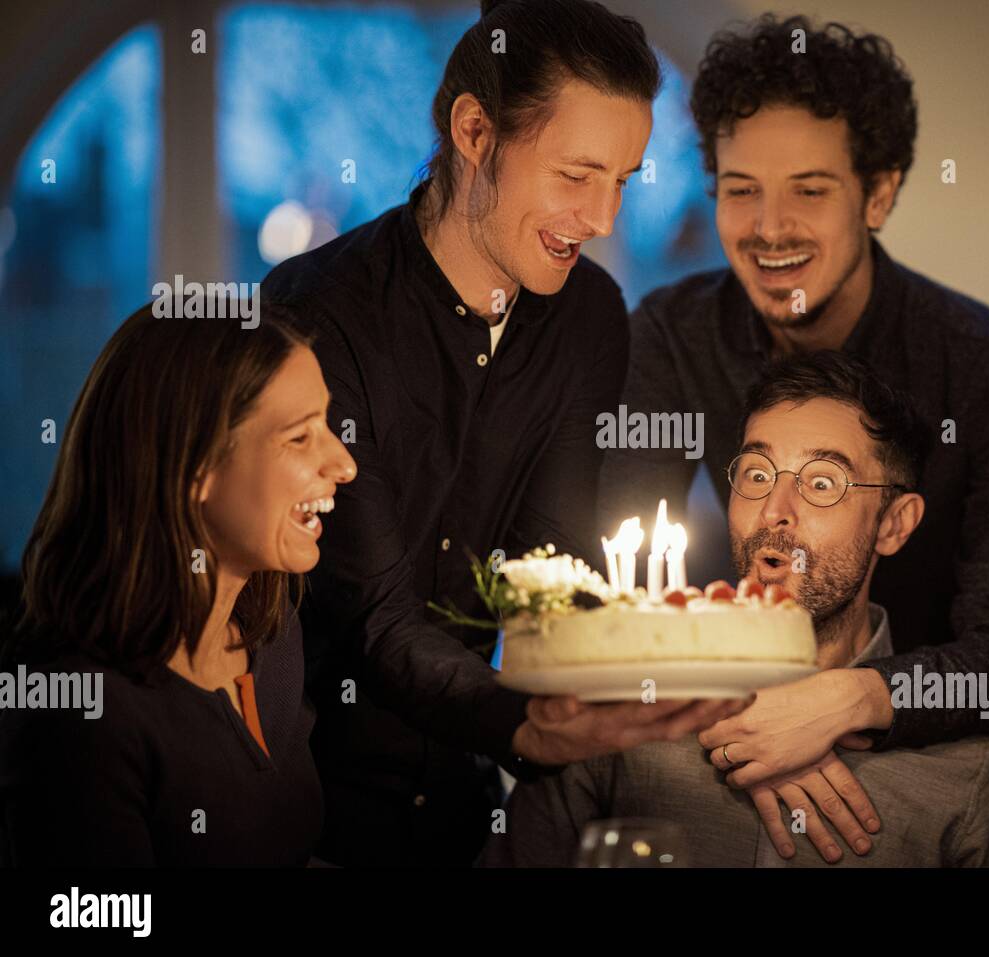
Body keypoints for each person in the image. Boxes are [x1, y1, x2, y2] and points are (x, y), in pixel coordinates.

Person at [259, 0, 743, 866]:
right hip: (306, 810)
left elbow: (543, 571)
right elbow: (375, 614)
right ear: (476, 132)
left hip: (469, 809)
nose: (602, 218)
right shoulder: (318, 311)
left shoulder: (589, 317)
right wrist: (524, 723)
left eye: (623, 180)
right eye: (576, 174)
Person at [598, 14, 989, 857]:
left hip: (917, 779)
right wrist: (755, 717)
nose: (769, 227)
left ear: (879, 193)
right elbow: (621, 588)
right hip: (714, 747)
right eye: (742, 189)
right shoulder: (669, 335)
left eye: (809, 190)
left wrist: (843, 704)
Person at [488, 352, 989, 867]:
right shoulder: (619, 723)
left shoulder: (971, 780)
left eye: (822, 483)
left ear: (894, 524)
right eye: (757, 474)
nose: (775, 510)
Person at [0, 304, 354, 865]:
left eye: (328, 424)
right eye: (299, 437)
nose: (343, 462)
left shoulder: (270, 634)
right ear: (196, 469)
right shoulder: (82, 717)